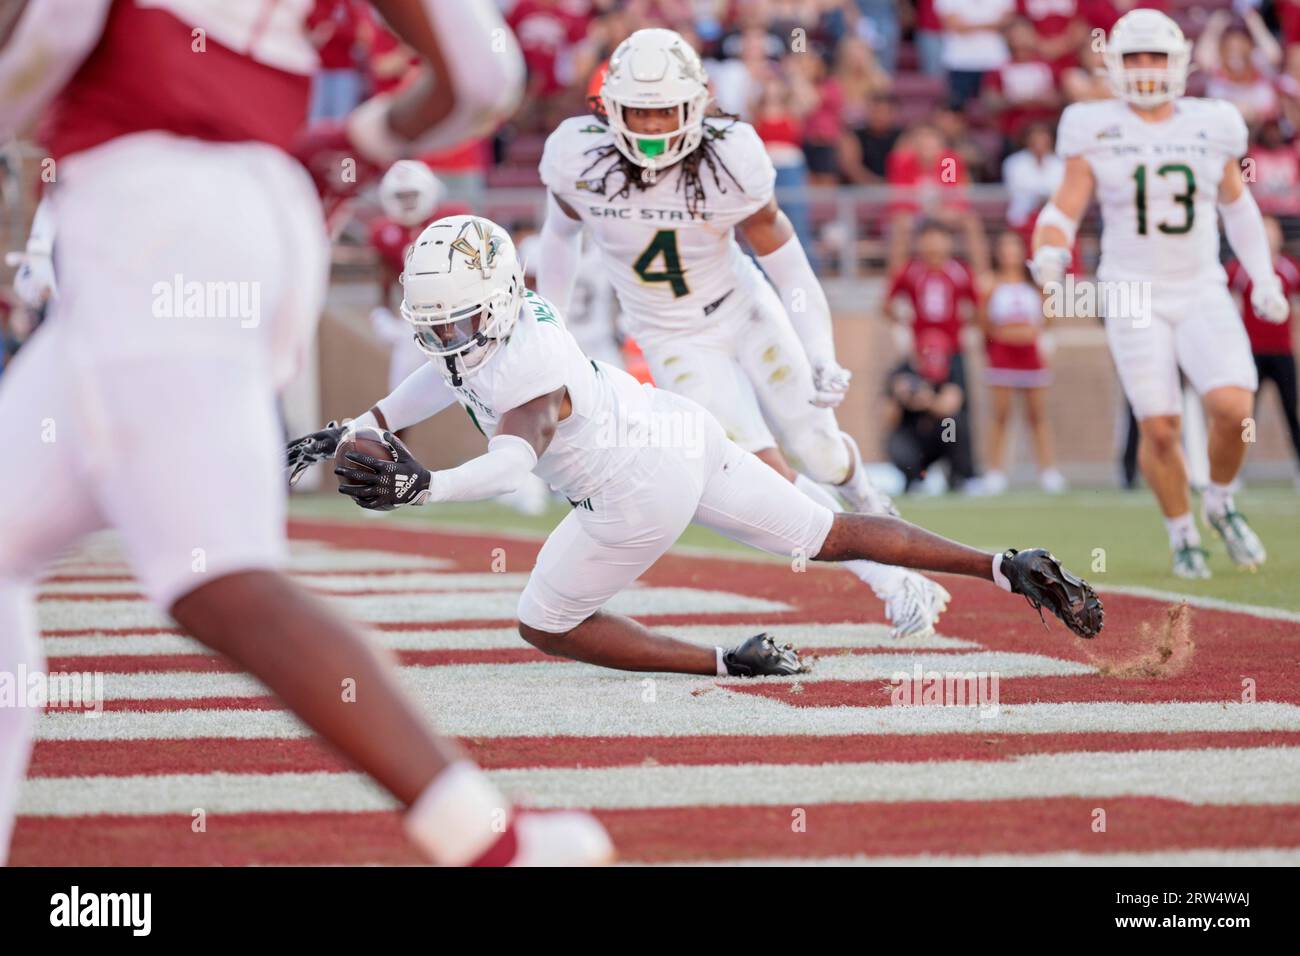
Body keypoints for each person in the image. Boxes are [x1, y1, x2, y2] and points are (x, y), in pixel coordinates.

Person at [0, 0, 610, 867]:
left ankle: (494, 846)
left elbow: (54, 32)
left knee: (218, 577)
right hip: (247, 204)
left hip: (152, 217)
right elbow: (483, 76)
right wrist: (361, 138)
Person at [288, 215, 1104, 680]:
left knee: (542, 622)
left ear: (496, 299)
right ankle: (1007, 565)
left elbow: (512, 459)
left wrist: (423, 489)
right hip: (676, 427)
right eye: (434, 322)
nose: (444, 335)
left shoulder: (528, 361)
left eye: (456, 320)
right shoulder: (497, 324)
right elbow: (447, 374)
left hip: (634, 493)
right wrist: (368, 422)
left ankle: (724, 663)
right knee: (830, 534)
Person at [533, 28, 952, 640]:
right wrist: (552, 326)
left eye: (664, 111)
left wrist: (819, 348)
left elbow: (786, 261)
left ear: (696, 106)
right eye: (637, 112)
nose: (650, 127)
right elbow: (558, 236)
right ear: (609, 110)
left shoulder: (731, 156)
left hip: (744, 311)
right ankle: (891, 579)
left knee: (822, 451)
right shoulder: (579, 157)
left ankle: (870, 501)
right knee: (767, 476)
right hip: (673, 340)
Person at [1031, 9, 1290, 578]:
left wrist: (1264, 276)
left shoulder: (1212, 121)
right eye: (1133, 57)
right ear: (1114, 64)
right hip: (1130, 291)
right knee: (1160, 425)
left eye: (1155, 57)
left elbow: (1237, 205)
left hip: (1200, 284)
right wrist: (1050, 248)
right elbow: (1066, 202)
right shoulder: (1091, 123)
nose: (1146, 69)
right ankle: (1182, 533)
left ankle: (1220, 499)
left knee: (1232, 406)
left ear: (1179, 63)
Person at [882, 219, 980, 489]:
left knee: (957, 412)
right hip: (919, 358)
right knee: (908, 411)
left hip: (951, 356)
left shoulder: (959, 272)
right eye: (928, 237)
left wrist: (965, 331)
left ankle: (962, 473)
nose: (933, 244)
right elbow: (887, 303)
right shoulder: (912, 271)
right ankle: (914, 471)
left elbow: (977, 304)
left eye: (939, 237)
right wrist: (901, 326)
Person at [977, 231, 1064, 494]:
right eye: (1004, 248)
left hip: (1030, 355)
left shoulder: (1034, 285)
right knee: (1001, 416)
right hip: (1003, 355)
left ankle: (1048, 472)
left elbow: (1048, 319)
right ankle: (995, 472)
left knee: (1037, 416)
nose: (1009, 253)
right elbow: (983, 322)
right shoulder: (990, 283)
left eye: (1014, 247)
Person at [1226, 215, 1300, 483]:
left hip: (1282, 352)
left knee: (1291, 411)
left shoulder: (1289, 268)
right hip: (1252, 354)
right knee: (1247, 418)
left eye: (1273, 232)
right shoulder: (1243, 269)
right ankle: (1238, 468)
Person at [884, 327, 973, 492]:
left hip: (940, 438)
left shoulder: (951, 369)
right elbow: (888, 420)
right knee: (897, 443)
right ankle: (913, 478)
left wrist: (927, 400)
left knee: (953, 424)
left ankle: (957, 476)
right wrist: (899, 398)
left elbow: (950, 405)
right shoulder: (901, 372)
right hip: (913, 438)